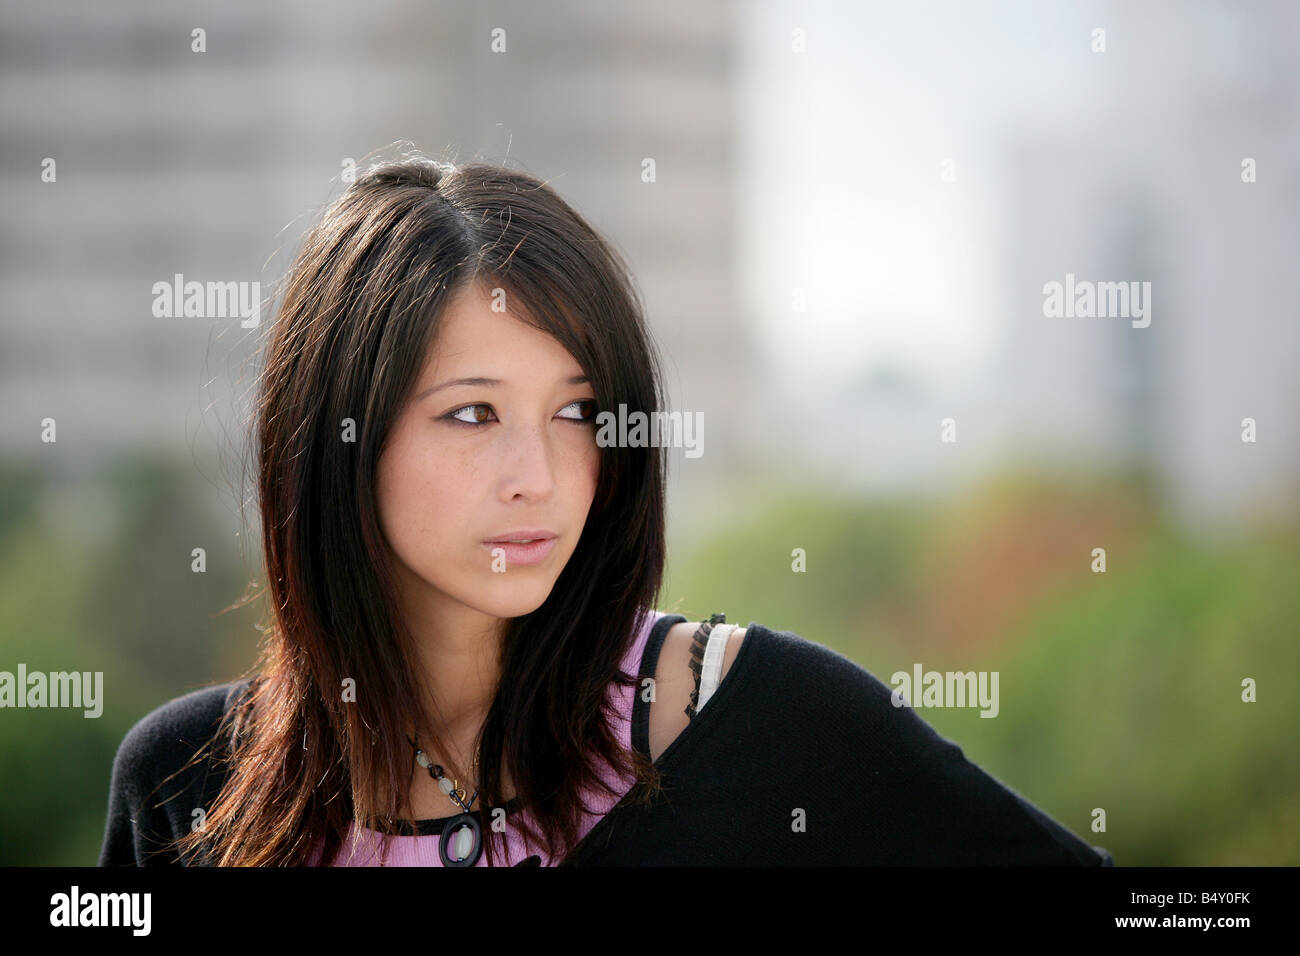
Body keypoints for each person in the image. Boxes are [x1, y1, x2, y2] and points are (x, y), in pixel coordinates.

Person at [98, 151, 1113, 867]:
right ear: (336, 437)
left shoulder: (762, 723)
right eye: (473, 413)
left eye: (579, 411)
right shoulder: (192, 784)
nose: (537, 471)